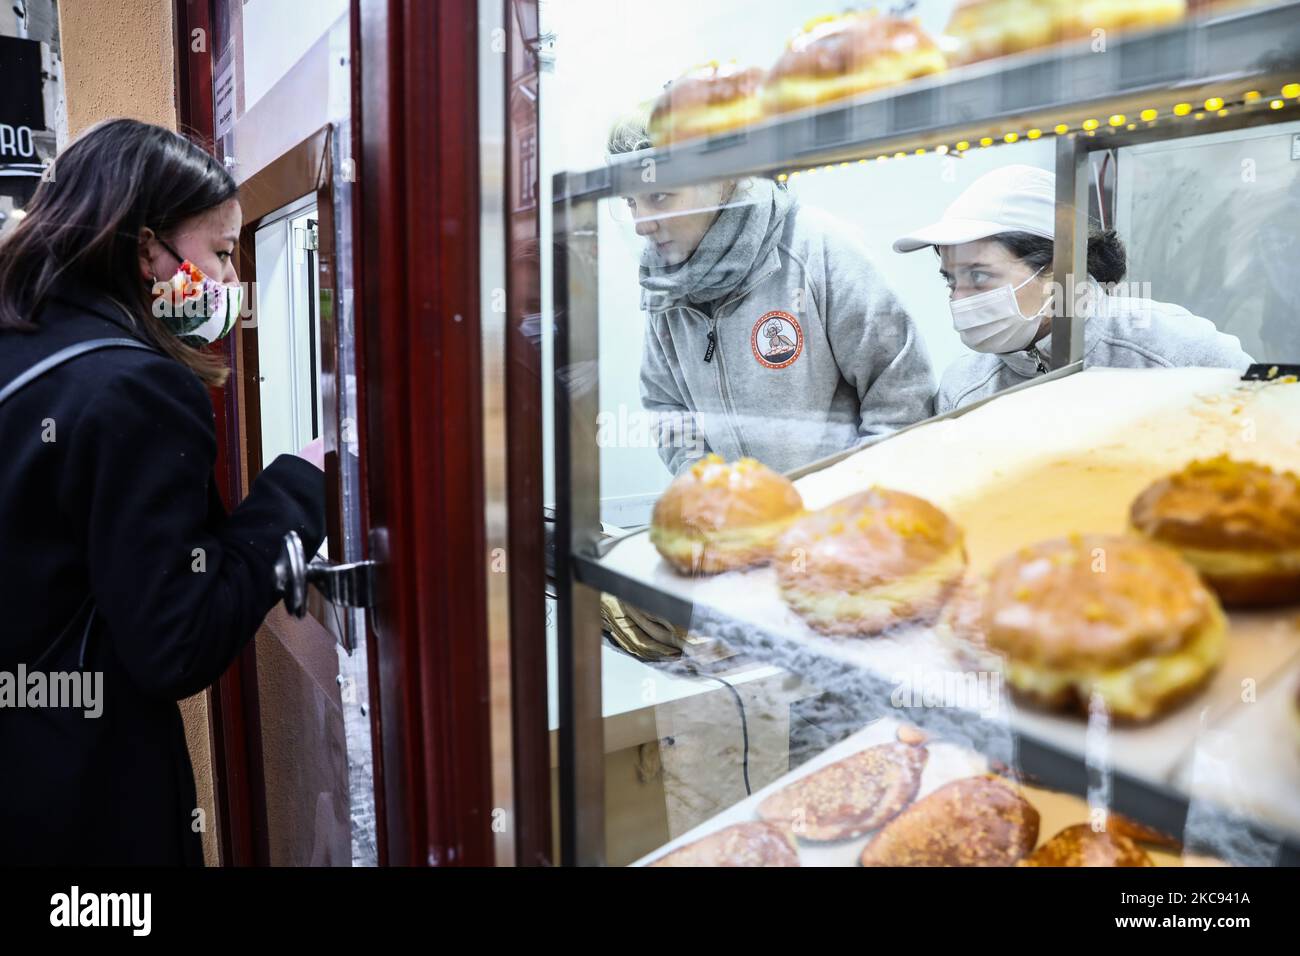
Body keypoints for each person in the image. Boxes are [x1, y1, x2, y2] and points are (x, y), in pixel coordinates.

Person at [0, 118, 326, 865]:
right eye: (220, 252)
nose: (232, 283)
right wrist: (299, 488)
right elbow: (175, 640)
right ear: (149, 248)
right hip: (80, 806)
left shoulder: (27, 344)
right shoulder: (133, 390)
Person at [609, 115, 936, 476]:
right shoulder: (666, 286)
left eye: (658, 196)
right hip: (741, 523)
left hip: (839, 516)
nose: (641, 224)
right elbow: (666, 406)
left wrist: (849, 501)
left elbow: (900, 395)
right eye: (631, 202)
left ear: (721, 181)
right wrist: (704, 482)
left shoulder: (816, 247)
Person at [892, 164, 1254, 414]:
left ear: (1055, 269)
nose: (958, 300)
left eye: (979, 277)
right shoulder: (965, 387)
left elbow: (1278, 426)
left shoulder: (1170, 347)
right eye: (951, 280)